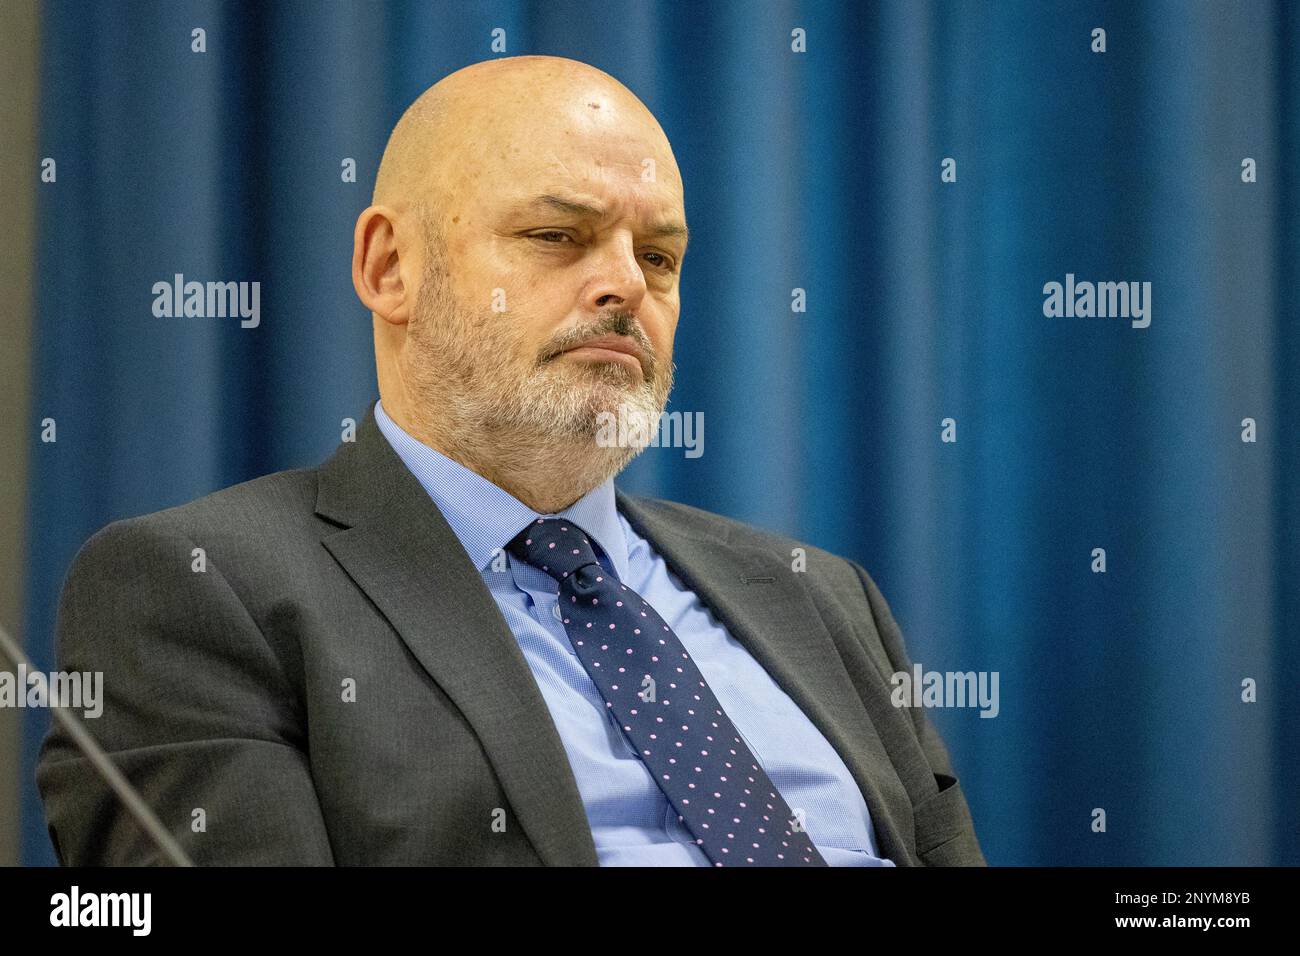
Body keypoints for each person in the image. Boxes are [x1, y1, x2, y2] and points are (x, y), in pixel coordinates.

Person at [37, 55, 984, 867]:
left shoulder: (820, 597)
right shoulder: (201, 589)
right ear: (389, 269)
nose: (623, 284)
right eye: (555, 236)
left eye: (658, 258)